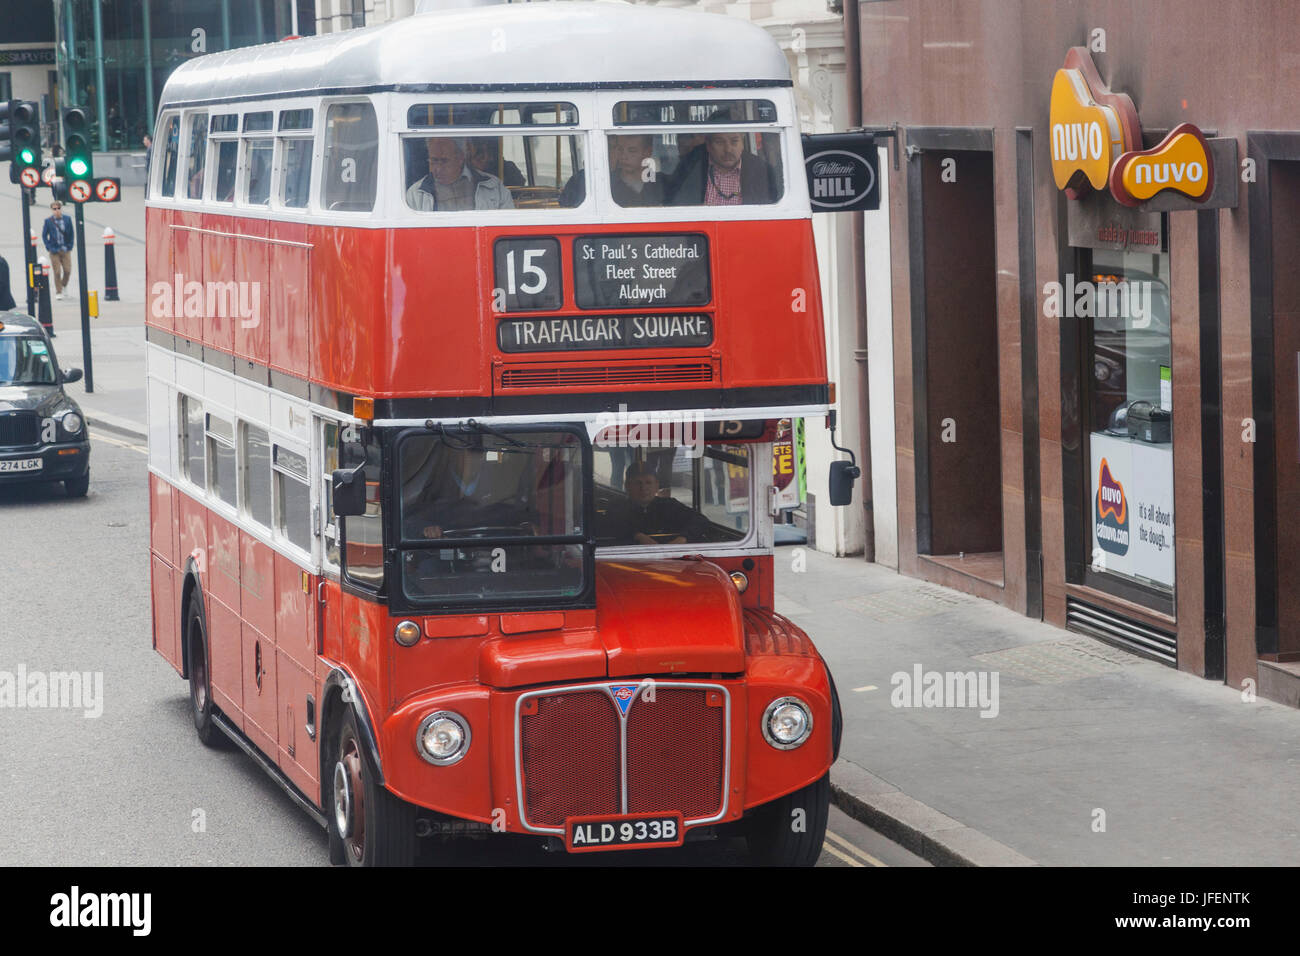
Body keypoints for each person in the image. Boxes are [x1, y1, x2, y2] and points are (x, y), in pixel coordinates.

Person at [668, 117, 779, 207]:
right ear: (708, 145)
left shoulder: (761, 171)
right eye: (719, 142)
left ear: (742, 143)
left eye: (734, 141)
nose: (728, 149)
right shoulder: (689, 168)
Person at [600, 460, 711, 546]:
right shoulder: (617, 507)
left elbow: (701, 520)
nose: (644, 488)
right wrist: (638, 536)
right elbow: (612, 525)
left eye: (648, 483)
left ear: (657, 486)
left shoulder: (669, 505)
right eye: (638, 483)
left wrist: (681, 539)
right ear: (627, 486)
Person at [405, 137, 514, 211]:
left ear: (461, 158)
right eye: (433, 161)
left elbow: (509, 227)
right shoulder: (416, 194)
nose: (437, 169)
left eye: (444, 161)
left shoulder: (494, 187)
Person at [41, 202, 75, 300]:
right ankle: (58, 291)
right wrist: (49, 247)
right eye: (54, 209)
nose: (57, 211)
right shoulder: (48, 221)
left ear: (61, 208)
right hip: (54, 250)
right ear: (52, 210)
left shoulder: (67, 219)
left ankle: (64, 285)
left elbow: (71, 233)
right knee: (57, 272)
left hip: (65, 249)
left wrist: (70, 246)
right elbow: (44, 235)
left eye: (58, 208)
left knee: (67, 270)